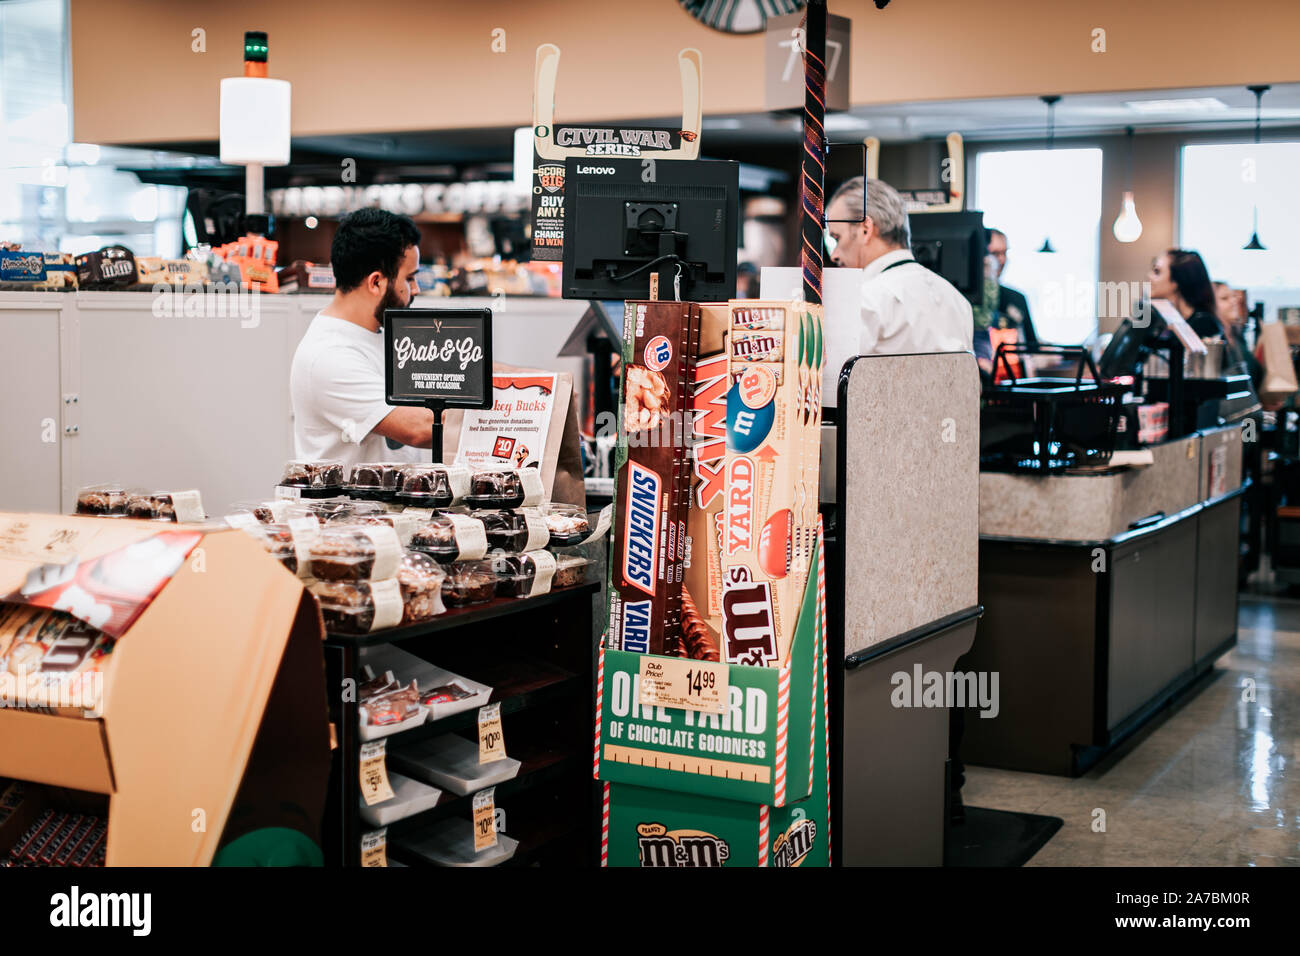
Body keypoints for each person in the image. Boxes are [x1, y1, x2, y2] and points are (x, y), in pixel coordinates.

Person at [290, 208, 436, 468]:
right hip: (345, 509)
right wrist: (500, 416)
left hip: (391, 507)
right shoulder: (328, 355)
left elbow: (467, 371)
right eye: (410, 278)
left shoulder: (381, 335)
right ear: (376, 282)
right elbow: (420, 428)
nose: (416, 289)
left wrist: (526, 382)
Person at [825, 176, 973, 354]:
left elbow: (832, 378)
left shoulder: (865, 301)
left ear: (865, 229)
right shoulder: (958, 301)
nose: (833, 255)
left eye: (836, 238)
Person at [985, 228, 1039, 349]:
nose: (1001, 260)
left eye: (1004, 253)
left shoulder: (1017, 298)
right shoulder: (968, 302)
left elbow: (1032, 347)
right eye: (995, 254)